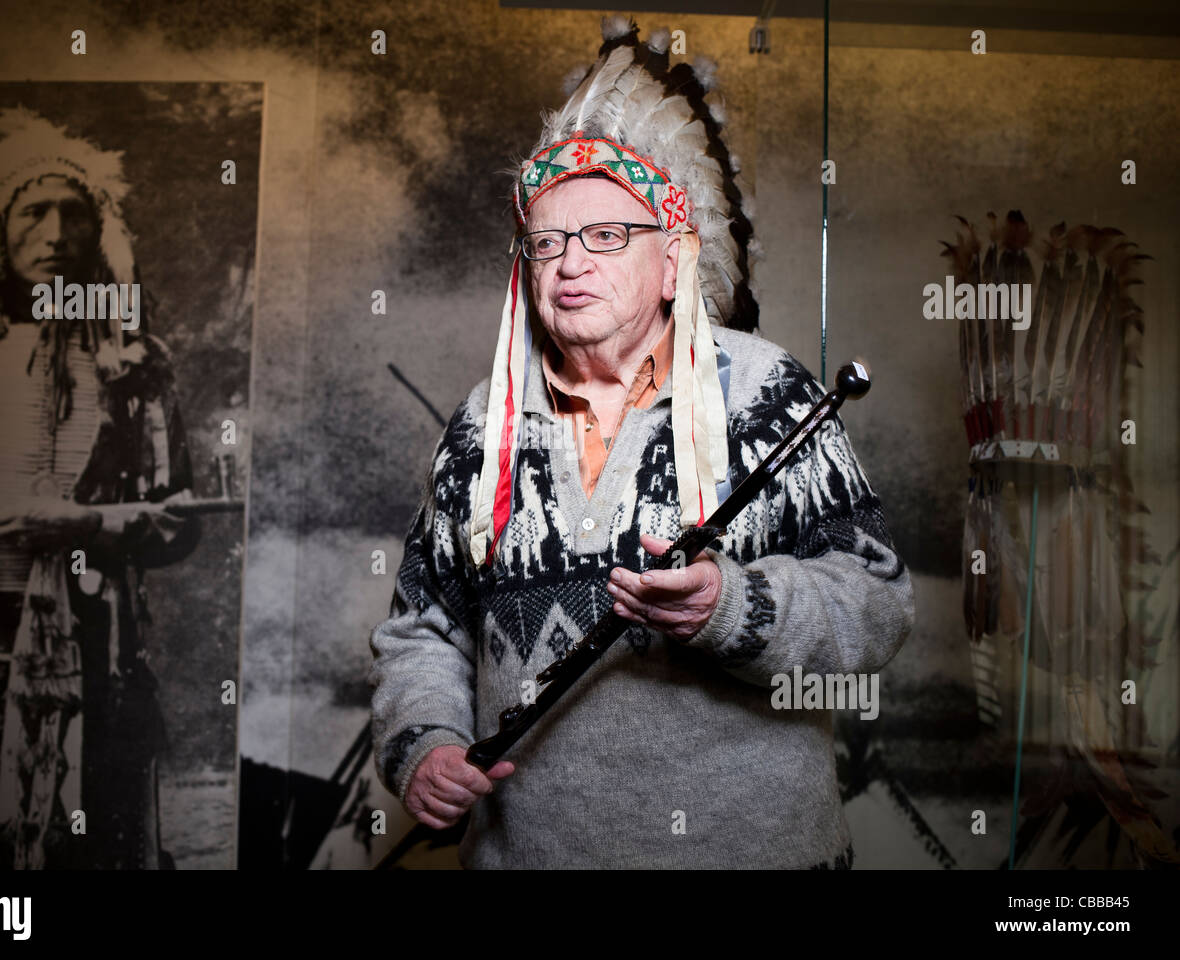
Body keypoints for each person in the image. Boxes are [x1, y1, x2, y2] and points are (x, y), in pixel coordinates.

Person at [368, 19, 914, 869]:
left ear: (673, 263)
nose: (568, 265)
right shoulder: (483, 427)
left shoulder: (768, 393)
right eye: (545, 242)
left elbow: (877, 602)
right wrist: (426, 744)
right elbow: (423, 629)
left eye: (605, 236)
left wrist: (732, 607)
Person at [0, 107, 197, 868]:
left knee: (85, 833)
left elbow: (180, 520)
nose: (55, 233)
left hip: (92, 640)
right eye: (34, 212)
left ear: (97, 233)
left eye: (74, 215)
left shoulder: (133, 366)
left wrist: (80, 526)